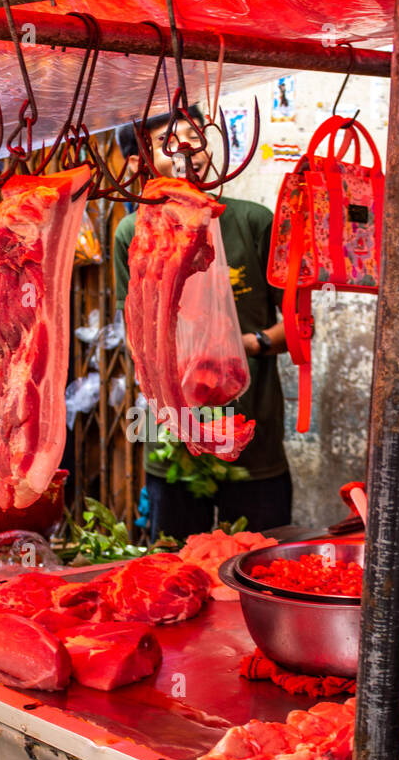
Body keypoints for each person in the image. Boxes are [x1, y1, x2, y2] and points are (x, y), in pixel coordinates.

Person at [112, 110, 292, 541]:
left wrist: (241, 347)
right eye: (169, 141)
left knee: (257, 567)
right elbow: (136, 337)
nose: (187, 150)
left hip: (255, 444)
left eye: (195, 137)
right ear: (139, 161)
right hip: (172, 445)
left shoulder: (254, 222)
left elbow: (299, 328)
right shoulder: (132, 233)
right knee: (175, 567)